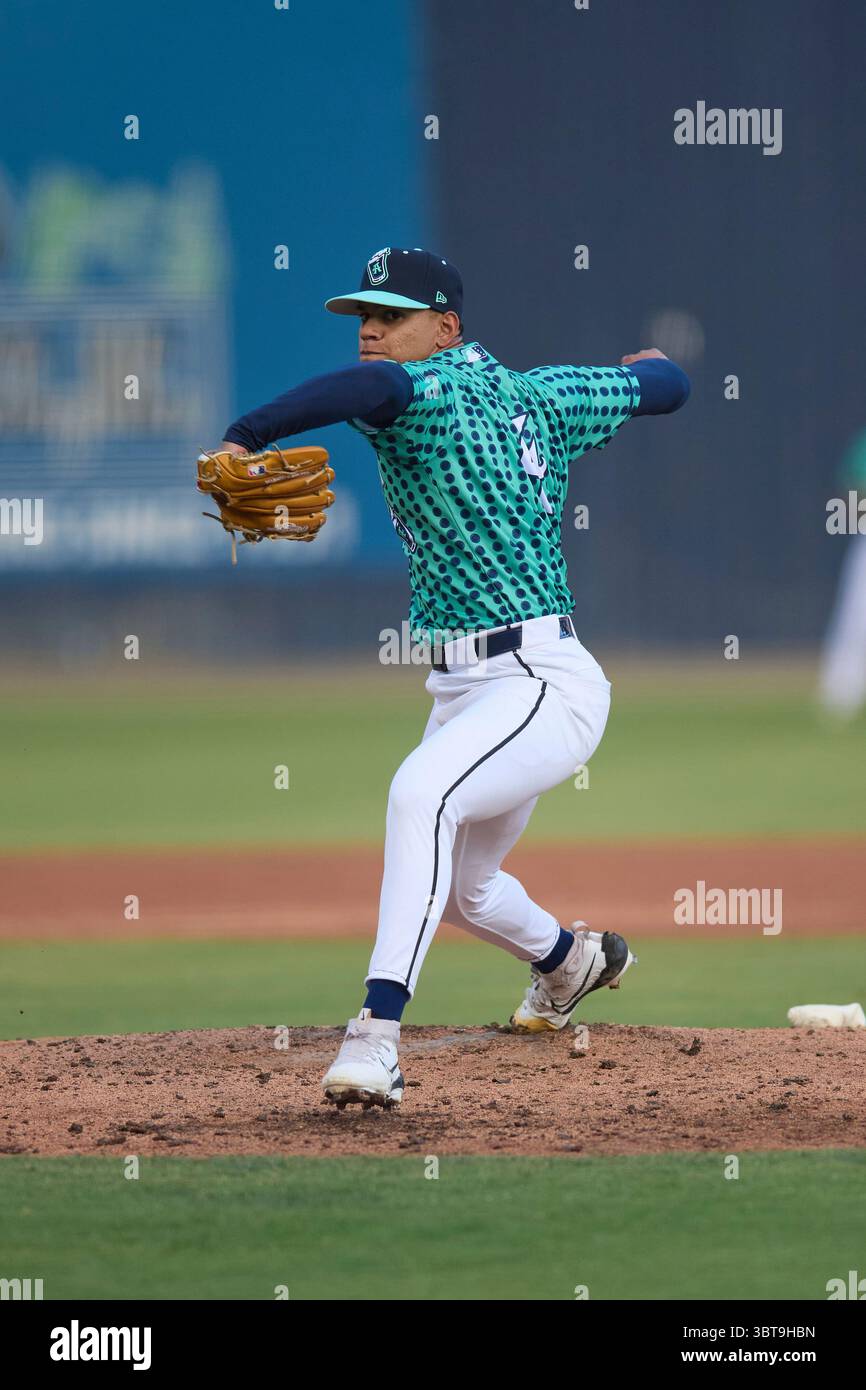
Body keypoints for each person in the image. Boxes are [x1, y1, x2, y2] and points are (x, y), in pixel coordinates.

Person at [217, 246, 690, 1108]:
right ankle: (573, 963)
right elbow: (667, 389)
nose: (370, 330)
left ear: (446, 327)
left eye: (390, 317)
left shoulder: (420, 392)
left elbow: (372, 393)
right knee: (466, 889)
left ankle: (375, 1037)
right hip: (469, 688)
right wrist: (651, 368)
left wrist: (247, 435)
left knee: (419, 795)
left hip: (542, 681)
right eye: (364, 314)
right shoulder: (544, 394)